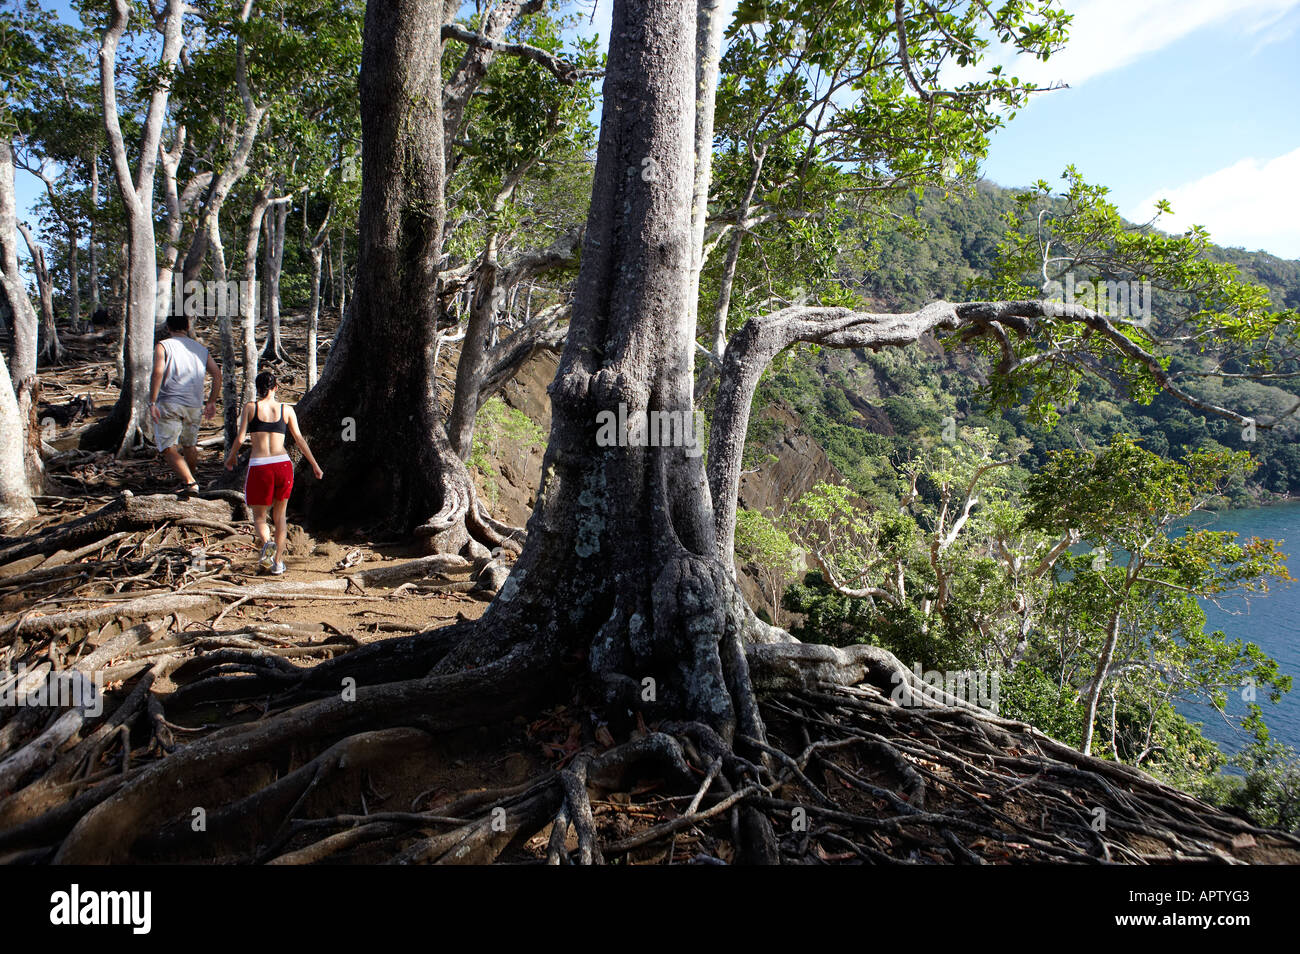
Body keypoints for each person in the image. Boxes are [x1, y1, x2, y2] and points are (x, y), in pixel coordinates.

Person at [224, 370, 324, 575]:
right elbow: (299, 439)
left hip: (260, 465)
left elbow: (241, 438)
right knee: (280, 517)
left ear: (258, 388)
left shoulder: (251, 408)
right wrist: (315, 464)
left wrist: (232, 456)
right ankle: (277, 562)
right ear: (276, 387)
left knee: (260, 516)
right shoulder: (286, 409)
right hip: (282, 465)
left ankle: (267, 543)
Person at [150, 313, 222, 495]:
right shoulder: (200, 349)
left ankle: (190, 482)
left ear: (168, 328)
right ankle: (190, 479)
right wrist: (212, 401)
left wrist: (152, 401)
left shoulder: (163, 345)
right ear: (188, 327)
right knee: (189, 445)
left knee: (167, 447)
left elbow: (157, 372)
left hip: (169, 402)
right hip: (194, 405)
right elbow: (217, 374)